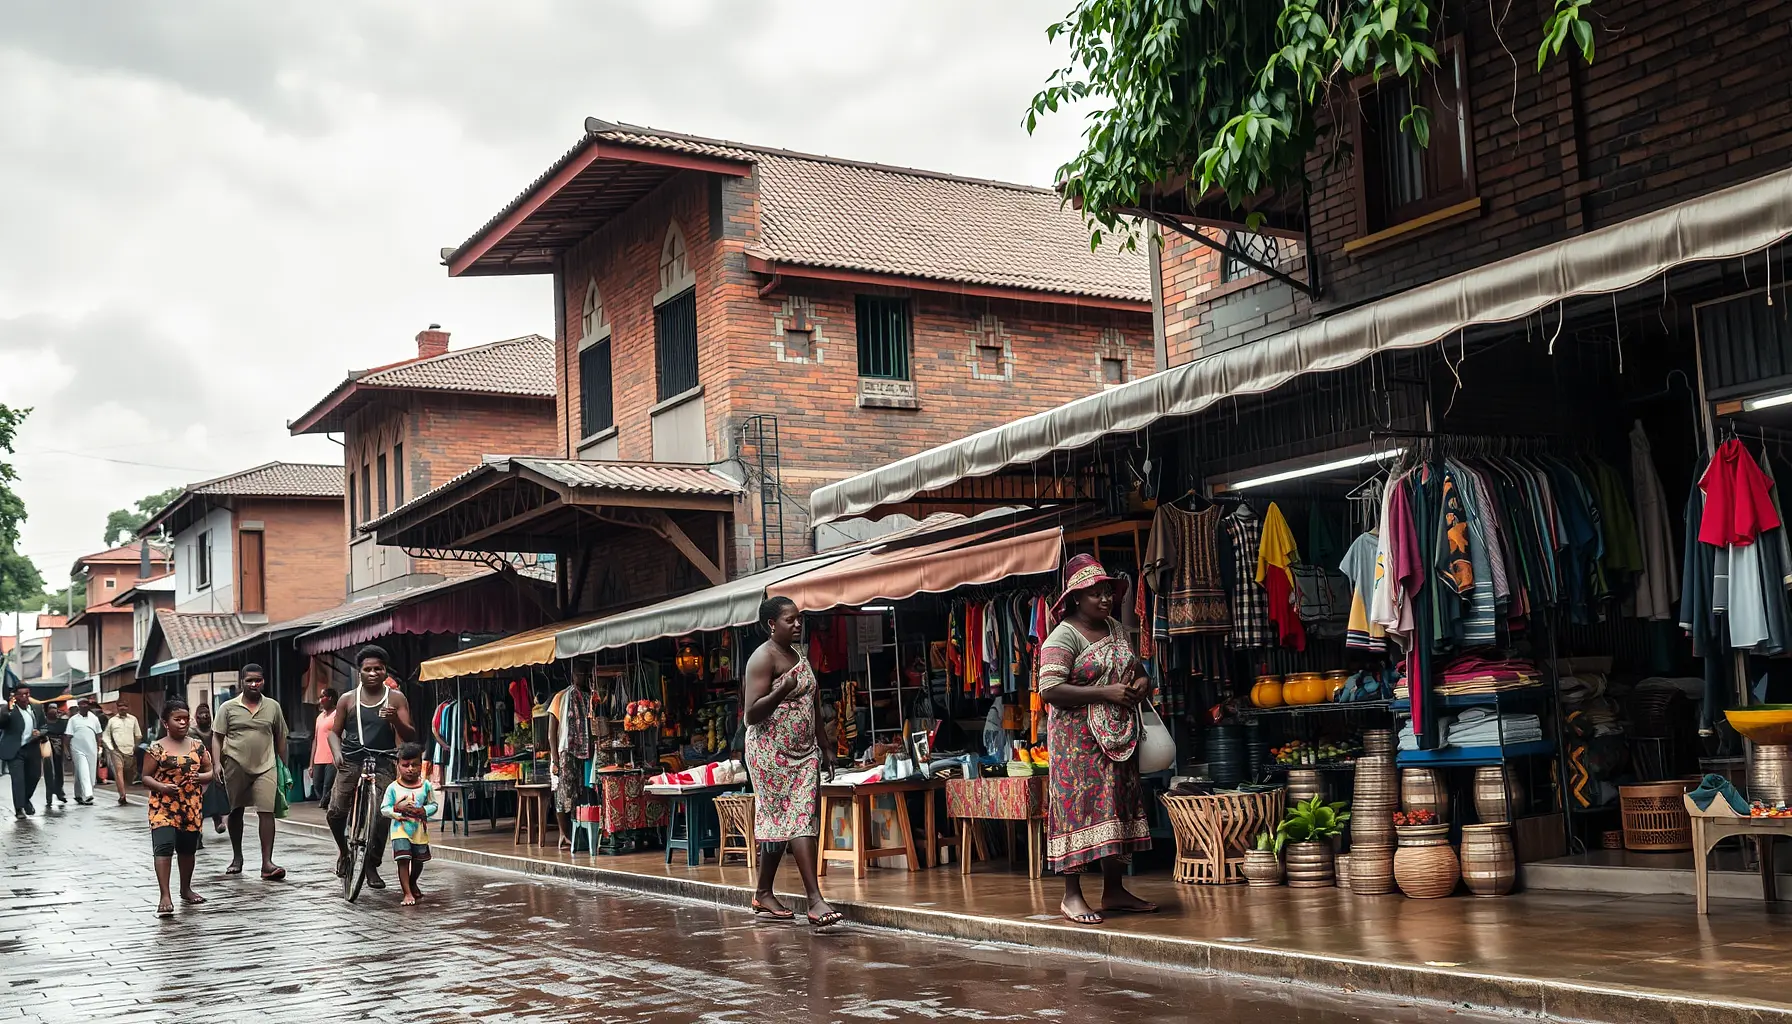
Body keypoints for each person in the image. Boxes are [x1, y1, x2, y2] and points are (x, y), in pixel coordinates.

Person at [1038, 553, 1156, 926]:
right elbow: (1050, 689)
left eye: (1107, 592)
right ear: (1076, 597)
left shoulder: (1116, 629)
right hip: (1077, 745)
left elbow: (1135, 667)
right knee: (1077, 809)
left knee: (1115, 807)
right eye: (1095, 593)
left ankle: (1114, 889)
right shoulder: (1063, 636)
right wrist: (1105, 693)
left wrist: (1142, 682)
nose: (1105, 599)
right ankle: (1071, 895)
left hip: (1117, 738)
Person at [741, 596, 841, 931]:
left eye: (799, 618)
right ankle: (814, 900)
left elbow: (812, 702)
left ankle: (763, 893)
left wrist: (825, 746)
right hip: (770, 754)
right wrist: (780, 690)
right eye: (790, 619)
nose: (797, 624)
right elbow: (751, 715)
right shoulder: (762, 658)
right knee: (786, 821)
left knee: (799, 816)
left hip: (804, 753)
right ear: (772, 624)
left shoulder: (800, 655)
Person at [329, 645, 415, 890]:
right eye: (368, 669)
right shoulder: (347, 699)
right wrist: (337, 753)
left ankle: (371, 864)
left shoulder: (396, 698)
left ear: (385, 671)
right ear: (360, 672)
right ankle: (344, 852)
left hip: (383, 760)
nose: (373, 673)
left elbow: (409, 734)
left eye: (378, 669)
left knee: (381, 815)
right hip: (352, 758)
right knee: (336, 810)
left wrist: (395, 719)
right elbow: (334, 733)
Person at [213, 665, 290, 880]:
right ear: (242, 683)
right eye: (249, 680)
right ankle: (237, 857)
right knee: (235, 810)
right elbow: (217, 737)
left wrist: (284, 767)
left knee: (266, 811)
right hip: (235, 765)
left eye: (258, 680)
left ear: (263, 681)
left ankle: (267, 863)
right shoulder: (228, 707)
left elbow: (281, 737)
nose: (254, 684)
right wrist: (217, 764)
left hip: (266, 765)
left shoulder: (273, 706)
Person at [141, 699, 214, 916]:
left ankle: (185, 889)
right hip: (163, 805)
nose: (182, 723)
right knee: (163, 847)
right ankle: (165, 895)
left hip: (190, 805)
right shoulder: (156, 749)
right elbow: (145, 777)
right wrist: (162, 787)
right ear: (166, 722)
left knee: (187, 849)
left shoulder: (197, 746)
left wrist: (200, 777)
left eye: (185, 718)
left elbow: (210, 771)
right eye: (177, 719)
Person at [380, 741, 439, 907]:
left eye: (414, 765)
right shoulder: (393, 788)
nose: (410, 769)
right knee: (403, 859)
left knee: (418, 861)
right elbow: (384, 809)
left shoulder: (426, 786)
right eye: (405, 765)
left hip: (419, 831)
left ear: (421, 765)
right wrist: (397, 809)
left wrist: (424, 810)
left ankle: (413, 882)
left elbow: (434, 805)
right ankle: (407, 892)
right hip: (400, 830)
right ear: (398, 765)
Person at [0, 686, 43, 818]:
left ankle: (25, 800)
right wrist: (8, 710)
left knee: (35, 776)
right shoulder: (7, 709)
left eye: (27, 694)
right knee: (18, 779)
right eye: (21, 695)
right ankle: (19, 809)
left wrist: (40, 732)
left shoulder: (36, 708)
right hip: (15, 750)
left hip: (32, 748)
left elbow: (45, 725)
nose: (25, 697)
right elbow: (2, 724)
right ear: (15, 697)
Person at [191, 701, 231, 833]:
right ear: (196, 716)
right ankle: (197, 829)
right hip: (199, 768)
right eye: (201, 714)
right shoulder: (192, 732)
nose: (204, 716)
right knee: (199, 799)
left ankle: (219, 820)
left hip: (216, 765)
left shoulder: (215, 731)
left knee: (219, 792)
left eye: (206, 713)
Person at [102, 705, 143, 806]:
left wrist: (135, 747)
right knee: (119, 771)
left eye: (125, 706)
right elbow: (106, 736)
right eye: (120, 706)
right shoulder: (112, 721)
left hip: (130, 750)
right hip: (116, 750)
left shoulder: (133, 719)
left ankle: (125, 790)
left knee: (129, 773)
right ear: (117, 708)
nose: (123, 708)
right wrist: (111, 748)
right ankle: (122, 795)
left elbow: (138, 735)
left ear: (127, 708)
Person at [67, 700, 104, 805]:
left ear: (89, 706)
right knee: (83, 769)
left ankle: (78, 794)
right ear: (78, 706)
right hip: (77, 748)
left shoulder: (94, 718)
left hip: (91, 748)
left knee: (88, 772)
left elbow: (99, 734)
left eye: (86, 704)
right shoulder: (73, 720)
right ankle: (88, 795)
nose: (84, 706)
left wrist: (99, 746)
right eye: (81, 704)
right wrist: (67, 751)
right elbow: (68, 736)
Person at [312, 687, 339, 807]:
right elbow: (315, 739)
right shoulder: (319, 717)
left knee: (328, 785)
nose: (320, 700)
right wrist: (311, 763)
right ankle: (325, 803)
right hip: (319, 757)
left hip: (331, 757)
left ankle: (328, 807)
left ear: (330, 698)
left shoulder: (337, 714)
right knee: (317, 784)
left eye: (323, 697)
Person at [40, 702, 68, 808]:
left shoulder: (62, 722)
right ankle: (49, 795)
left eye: (55, 708)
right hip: (46, 747)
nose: (53, 710)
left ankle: (59, 791)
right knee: (48, 771)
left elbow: (65, 735)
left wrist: (67, 751)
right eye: (51, 708)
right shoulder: (43, 722)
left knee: (59, 770)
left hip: (58, 748)